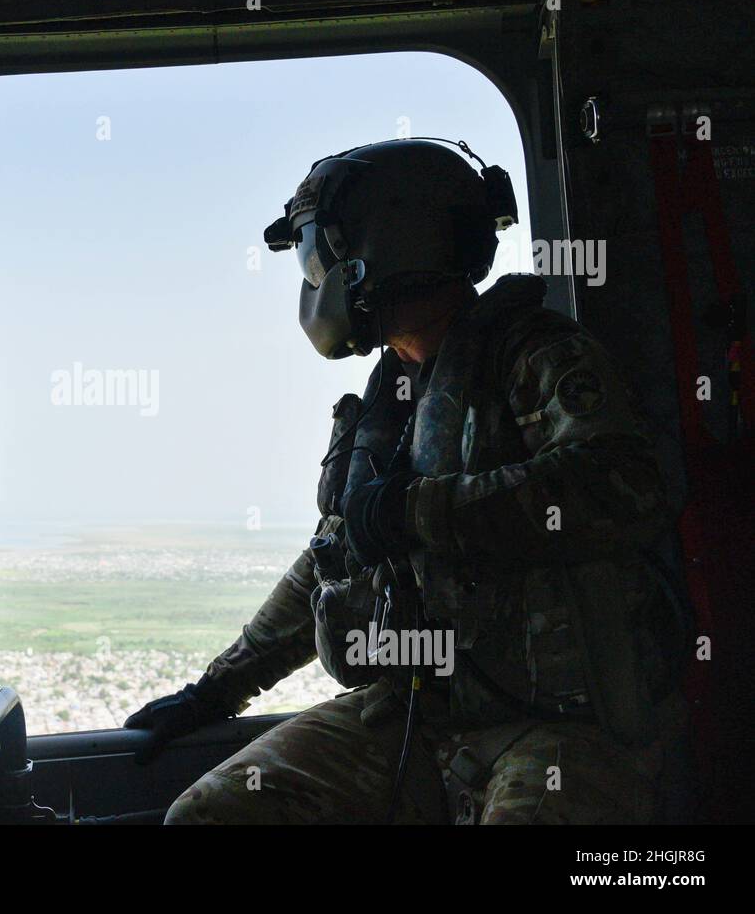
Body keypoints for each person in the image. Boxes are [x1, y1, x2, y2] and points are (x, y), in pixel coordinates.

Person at [124, 139, 686, 824]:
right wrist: (213, 693)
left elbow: (619, 485)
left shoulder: (535, 352)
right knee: (211, 814)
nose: (316, 279)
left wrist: (421, 511)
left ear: (387, 245)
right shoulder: (391, 398)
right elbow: (333, 558)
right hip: (413, 716)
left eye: (319, 255)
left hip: (559, 725)